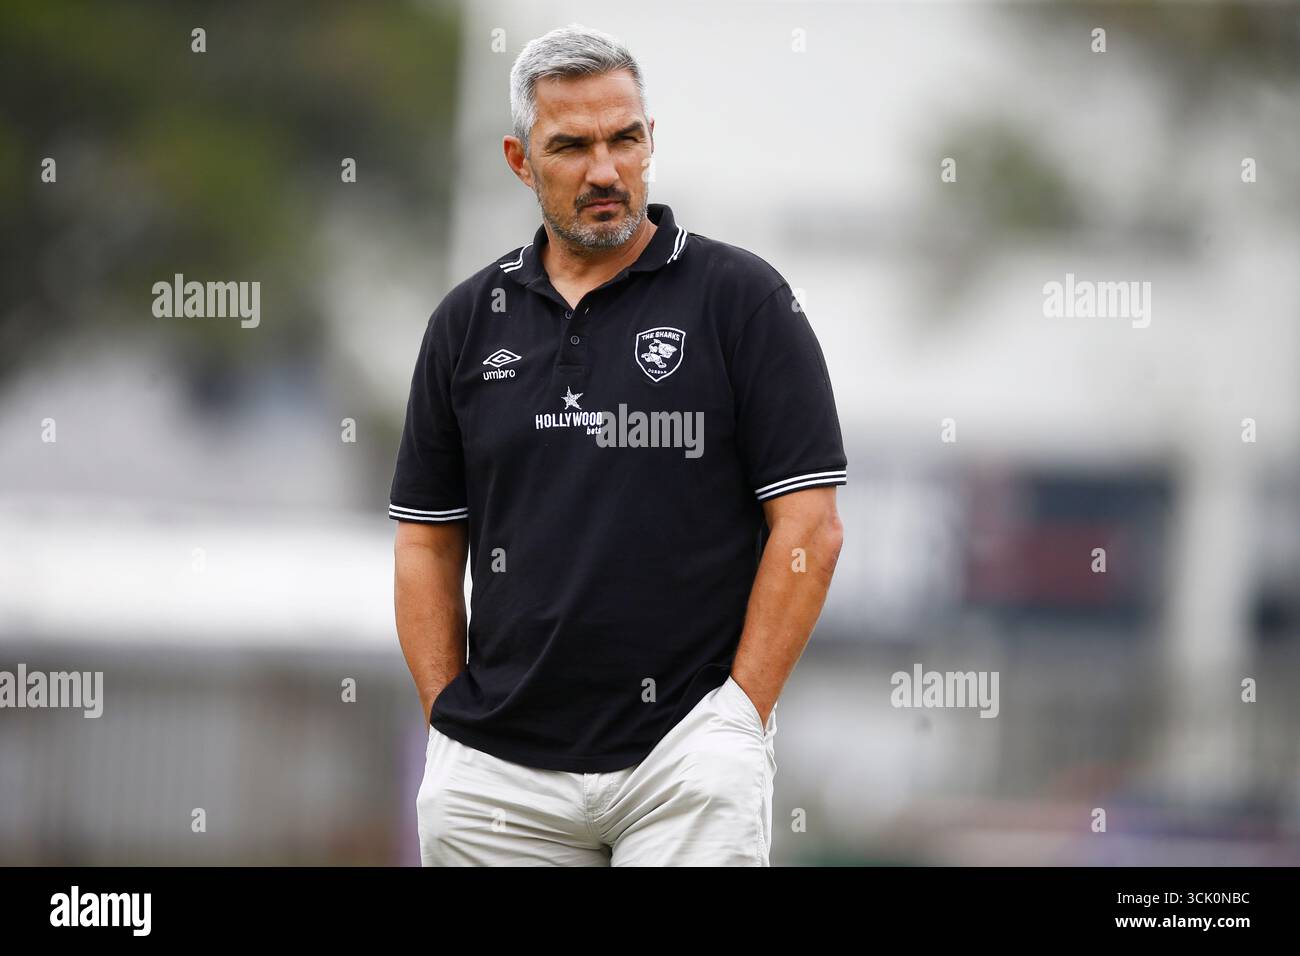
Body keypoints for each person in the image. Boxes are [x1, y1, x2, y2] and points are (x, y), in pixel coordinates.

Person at [390, 23, 846, 866]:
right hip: (499, 775)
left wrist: (739, 717)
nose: (605, 170)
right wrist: (446, 715)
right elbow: (425, 536)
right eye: (571, 146)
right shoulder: (464, 322)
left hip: (684, 762)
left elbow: (810, 529)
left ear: (649, 142)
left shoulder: (741, 300)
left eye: (624, 138)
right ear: (520, 161)